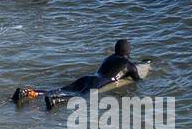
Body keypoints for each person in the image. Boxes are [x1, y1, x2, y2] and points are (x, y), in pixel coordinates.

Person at [12, 39, 144, 106]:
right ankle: (56, 101)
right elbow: (137, 80)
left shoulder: (109, 58)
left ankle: (29, 92)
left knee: (59, 88)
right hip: (99, 83)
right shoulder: (130, 65)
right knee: (81, 97)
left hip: (88, 78)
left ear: (116, 50)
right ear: (128, 52)